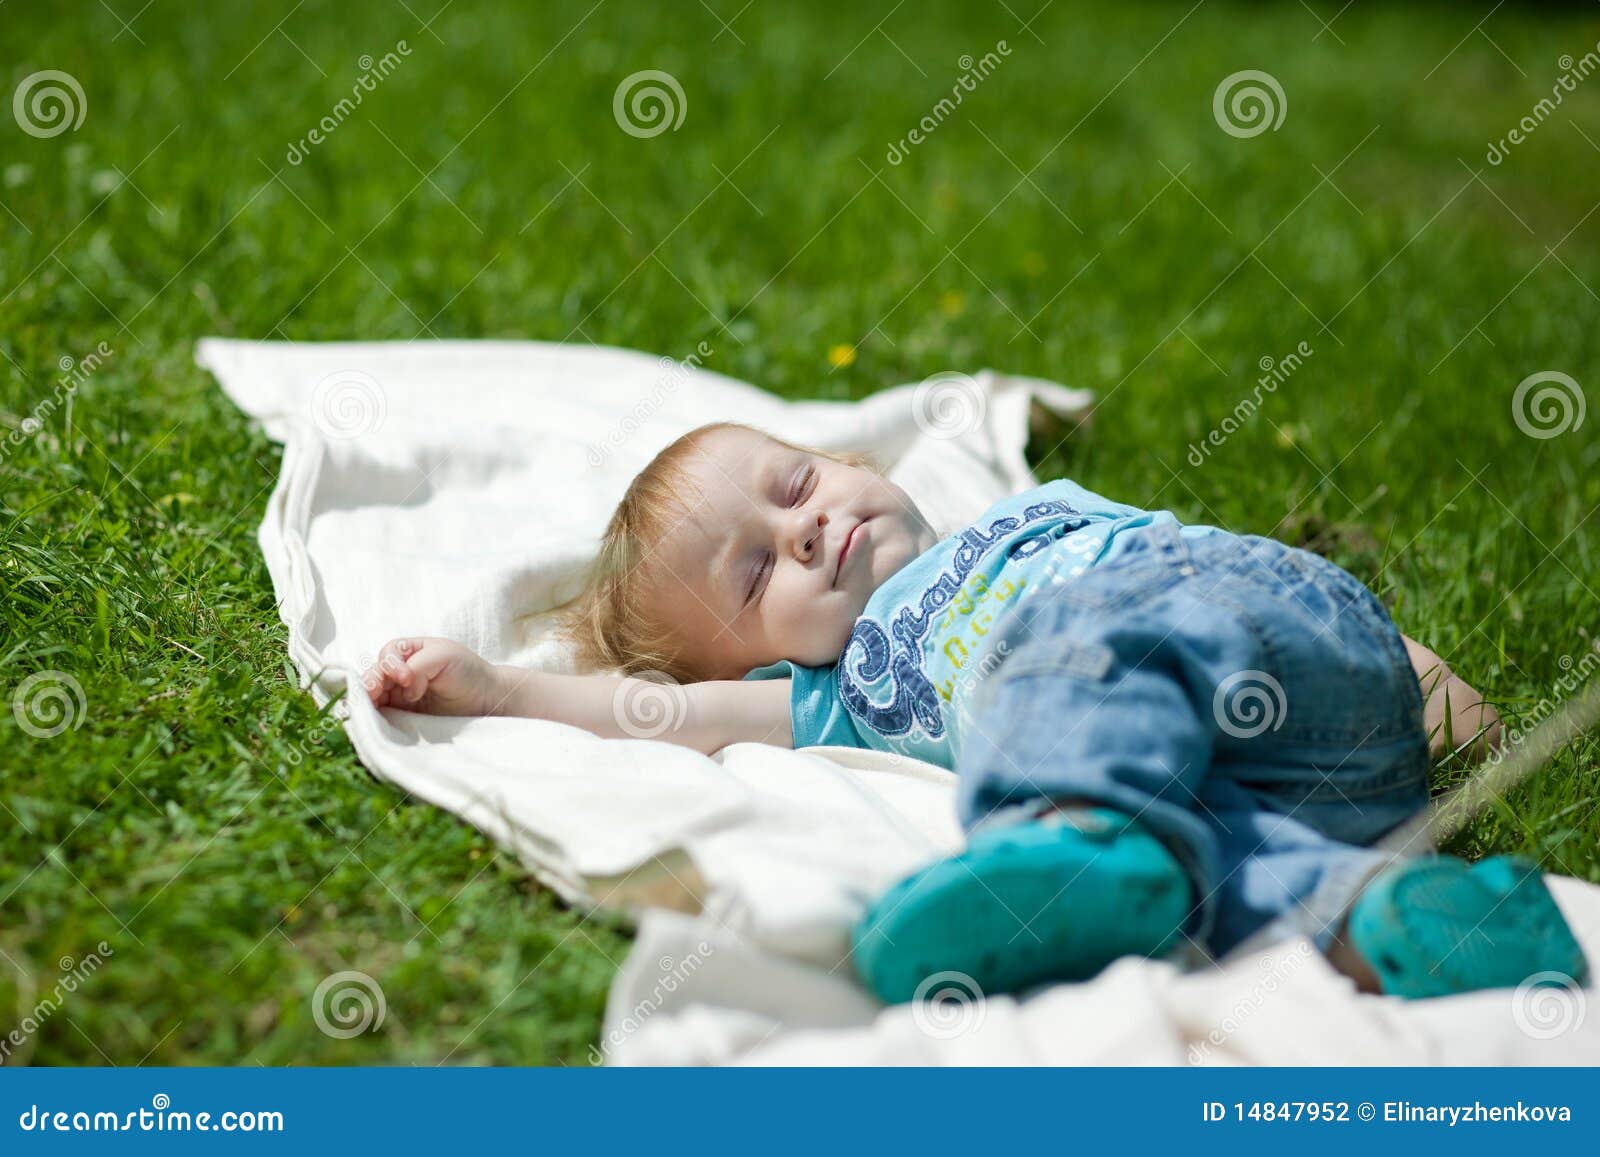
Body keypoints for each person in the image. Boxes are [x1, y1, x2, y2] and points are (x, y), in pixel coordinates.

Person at [361, 421, 1587, 1004]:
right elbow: (659, 716)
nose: (803, 527)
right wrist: (499, 686)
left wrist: (1417, 679)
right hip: (1292, 786)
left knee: (1060, 650)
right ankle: (1396, 924)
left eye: (794, 483)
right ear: (751, 657)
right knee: (1210, 857)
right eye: (756, 574)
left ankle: (1065, 845)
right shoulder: (837, 696)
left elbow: (1229, 578)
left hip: (1258, 636)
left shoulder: (1020, 527)